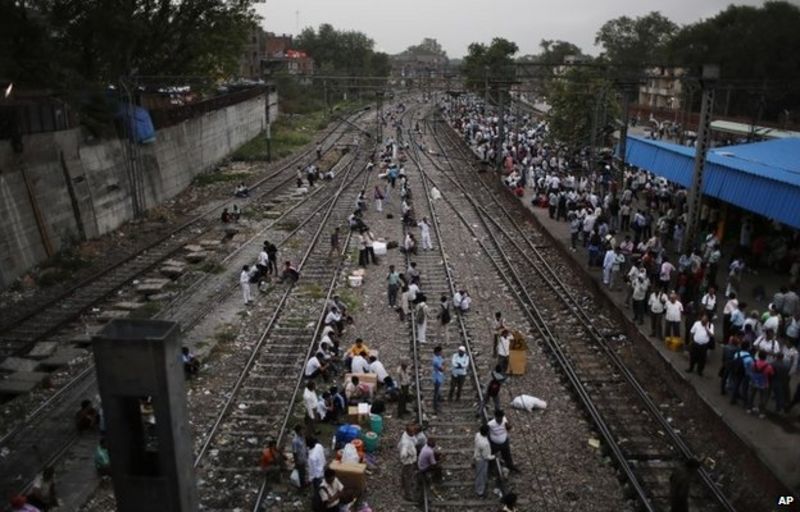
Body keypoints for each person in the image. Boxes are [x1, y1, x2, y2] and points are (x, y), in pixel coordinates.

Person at [398, 423, 419, 501]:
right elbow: (403, 455)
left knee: (405, 474)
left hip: (410, 461)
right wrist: (409, 455)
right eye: (413, 432)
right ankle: (408, 495)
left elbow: (415, 441)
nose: (414, 433)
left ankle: (403, 484)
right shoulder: (405, 443)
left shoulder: (408, 435)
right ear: (409, 432)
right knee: (408, 477)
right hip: (408, 462)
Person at [473, 424, 495, 498]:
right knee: (481, 475)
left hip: (476, 455)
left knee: (479, 473)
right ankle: (480, 491)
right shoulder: (485, 444)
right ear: (487, 433)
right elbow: (486, 457)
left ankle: (480, 486)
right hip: (481, 460)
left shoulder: (478, 435)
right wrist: (495, 456)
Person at [432, 346, 445, 414]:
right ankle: (435, 406)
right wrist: (443, 367)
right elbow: (442, 368)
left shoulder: (439, 357)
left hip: (439, 376)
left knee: (438, 390)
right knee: (436, 392)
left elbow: (443, 363)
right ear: (437, 352)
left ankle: (439, 401)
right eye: (440, 351)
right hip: (436, 377)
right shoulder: (435, 360)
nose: (441, 352)